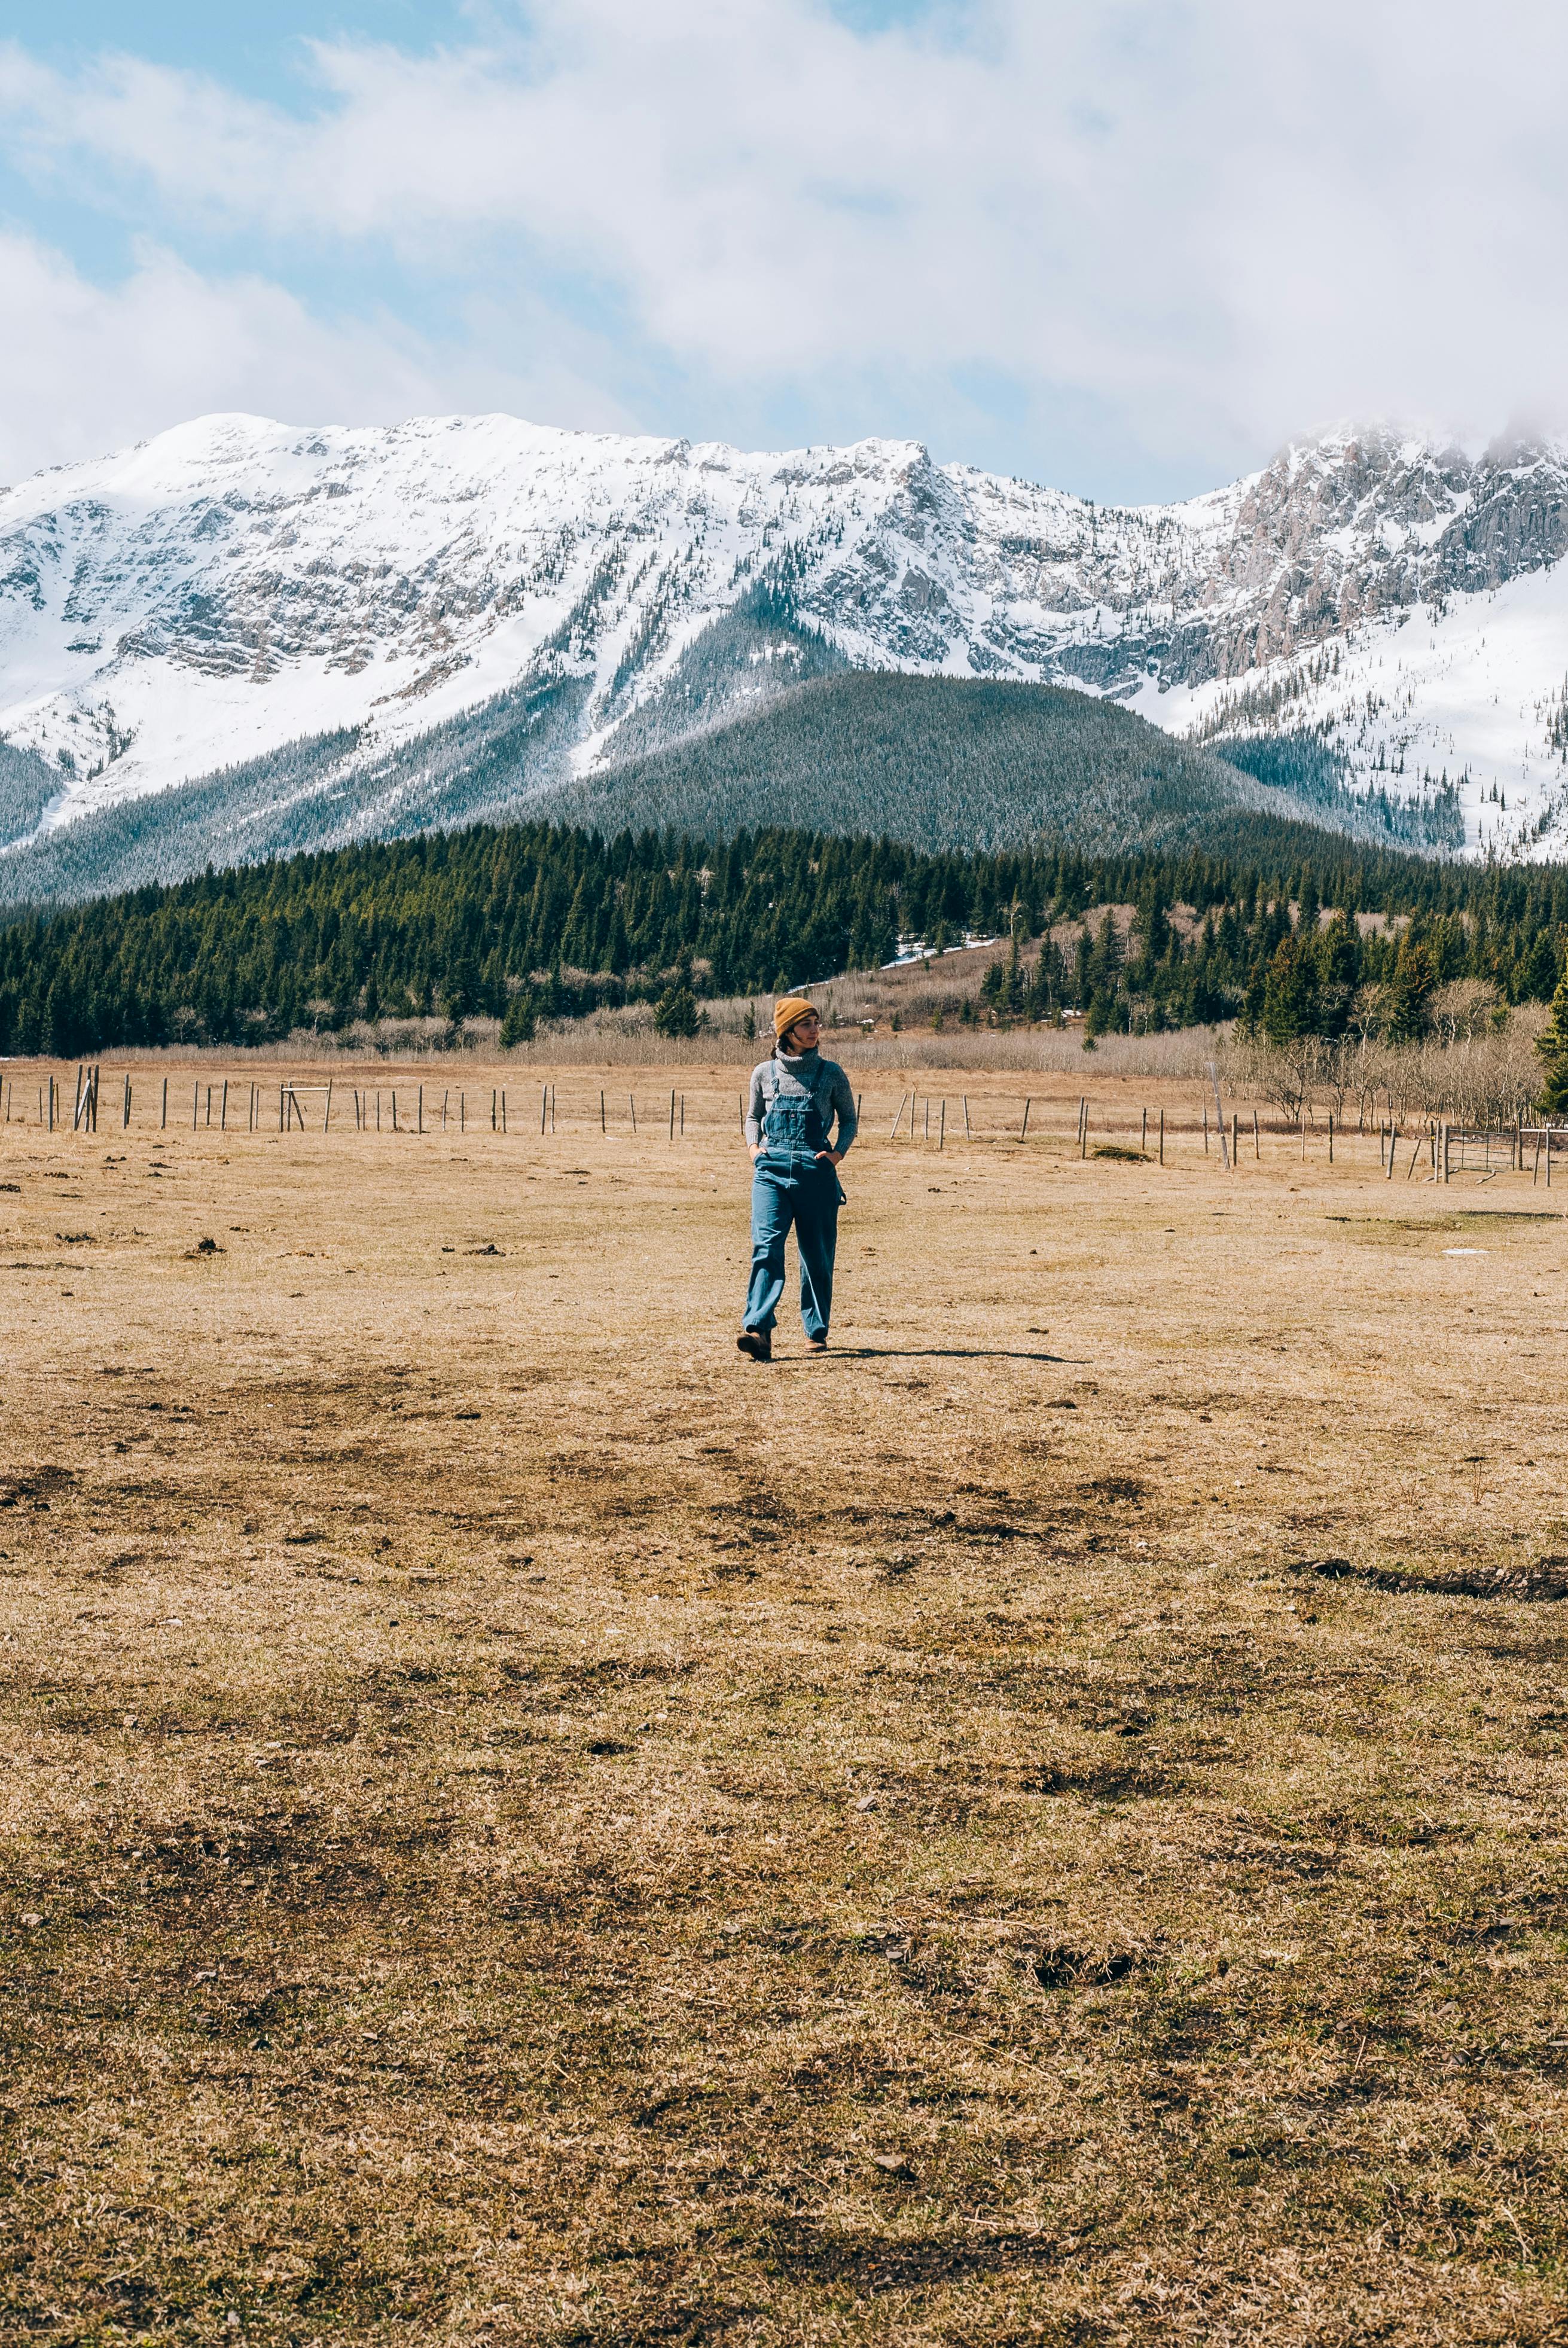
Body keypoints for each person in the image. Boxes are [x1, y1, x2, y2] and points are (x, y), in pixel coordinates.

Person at [737, 996, 858, 1362]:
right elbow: (753, 1117)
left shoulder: (831, 1073)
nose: (814, 1030)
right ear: (786, 1031)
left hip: (815, 1171)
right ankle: (759, 1330)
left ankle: (816, 1329)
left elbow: (850, 1120)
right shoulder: (764, 1073)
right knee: (766, 1246)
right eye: (806, 1024)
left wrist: (837, 1153)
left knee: (816, 1255)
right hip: (770, 1171)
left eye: (816, 1023)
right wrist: (754, 1148)